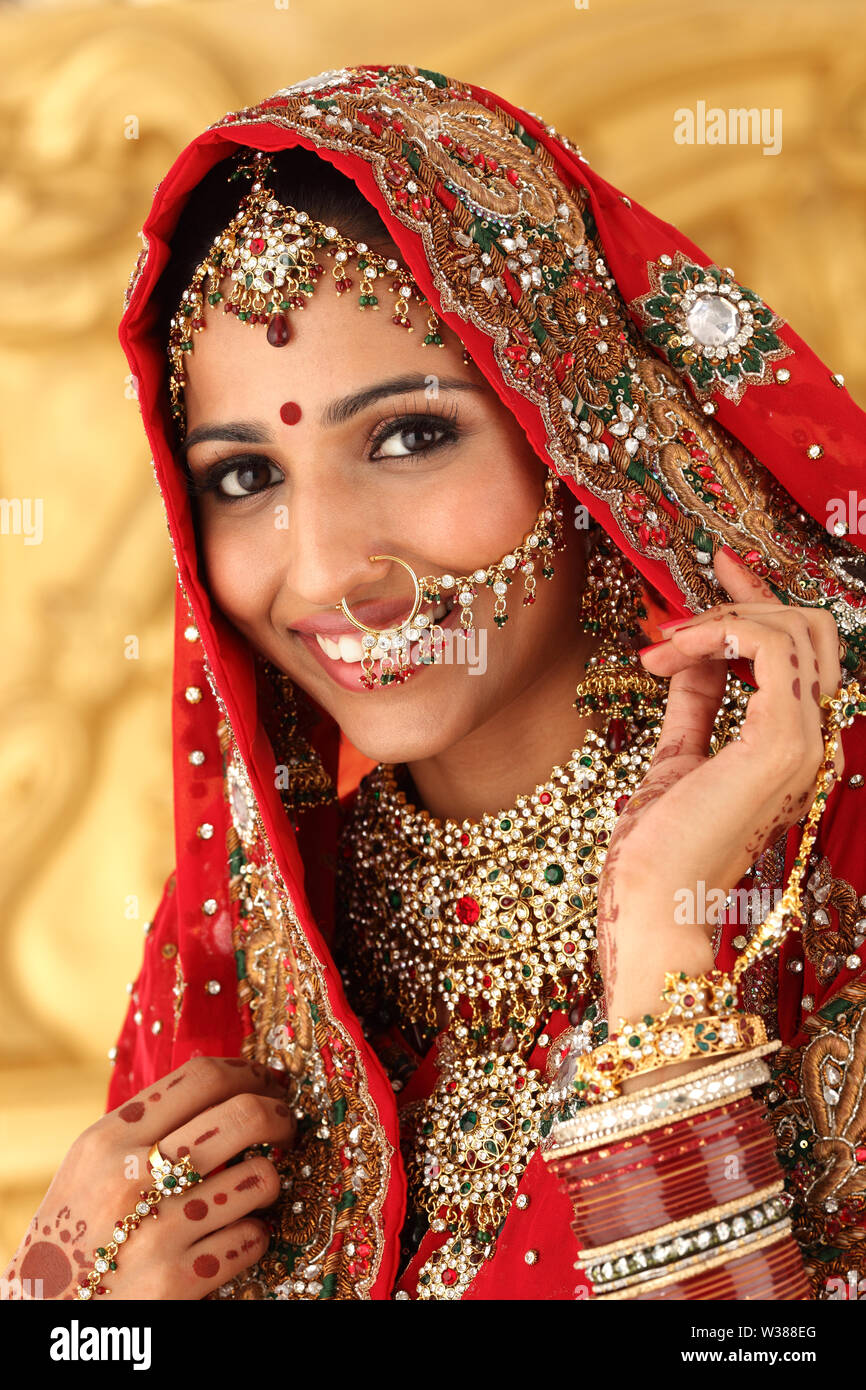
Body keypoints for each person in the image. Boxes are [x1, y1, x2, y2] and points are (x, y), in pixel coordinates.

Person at [4, 62, 866, 1303]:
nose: (324, 571)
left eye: (408, 437)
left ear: (572, 431)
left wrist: (665, 967)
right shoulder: (269, 945)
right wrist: (71, 1311)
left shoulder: (821, 854)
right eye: (245, 477)